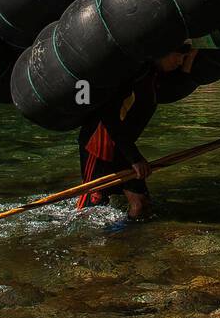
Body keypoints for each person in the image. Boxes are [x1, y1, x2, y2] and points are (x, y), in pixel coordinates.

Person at [75, 41, 200, 219]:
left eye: (184, 57)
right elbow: (109, 116)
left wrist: (192, 55)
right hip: (99, 146)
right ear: (162, 53)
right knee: (91, 209)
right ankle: (85, 241)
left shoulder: (155, 76)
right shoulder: (134, 74)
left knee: (142, 206)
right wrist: (134, 158)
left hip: (124, 148)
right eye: (179, 56)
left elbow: (179, 87)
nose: (181, 61)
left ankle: (126, 239)